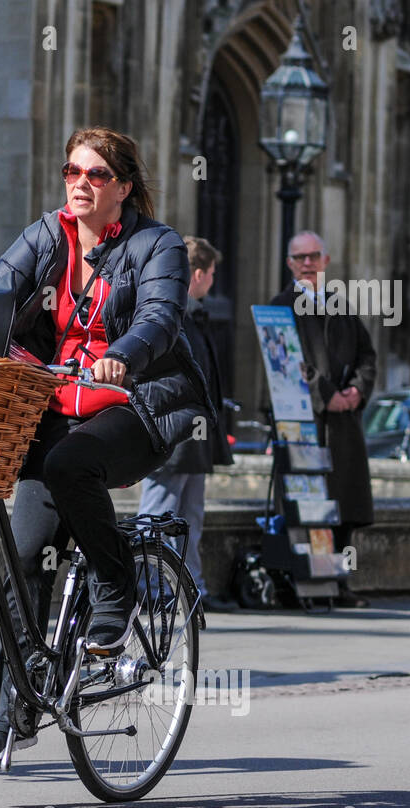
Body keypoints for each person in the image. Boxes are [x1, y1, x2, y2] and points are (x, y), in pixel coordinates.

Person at [0, 127, 213, 766]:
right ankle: (4, 719)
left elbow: (159, 318)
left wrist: (122, 358)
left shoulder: (157, 245)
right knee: (23, 557)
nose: (80, 183)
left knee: (73, 462)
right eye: (72, 170)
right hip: (55, 401)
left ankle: (115, 582)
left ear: (124, 187)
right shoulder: (47, 236)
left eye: (96, 175)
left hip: (139, 403)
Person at [269, 230, 376, 609]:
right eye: (300, 258)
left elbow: (367, 354)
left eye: (314, 256)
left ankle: (339, 584)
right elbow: (287, 362)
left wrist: (357, 392)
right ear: (289, 264)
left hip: (344, 427)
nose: (307, 264)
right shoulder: (280, 307)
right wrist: (328, 395)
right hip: (307, 425)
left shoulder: (340, 305)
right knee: (311, 507)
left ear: (326, 261)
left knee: (343, 508)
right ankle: (309, 583)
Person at [138, 236, 234, 612]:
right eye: (210, 274)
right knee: (158, 510)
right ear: (198, 274)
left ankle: (191, 588)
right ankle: (148, 586)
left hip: (195, 434)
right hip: (170, 433)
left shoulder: (193, 314)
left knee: (191, 513)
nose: (212, 281)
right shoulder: (170, 312)